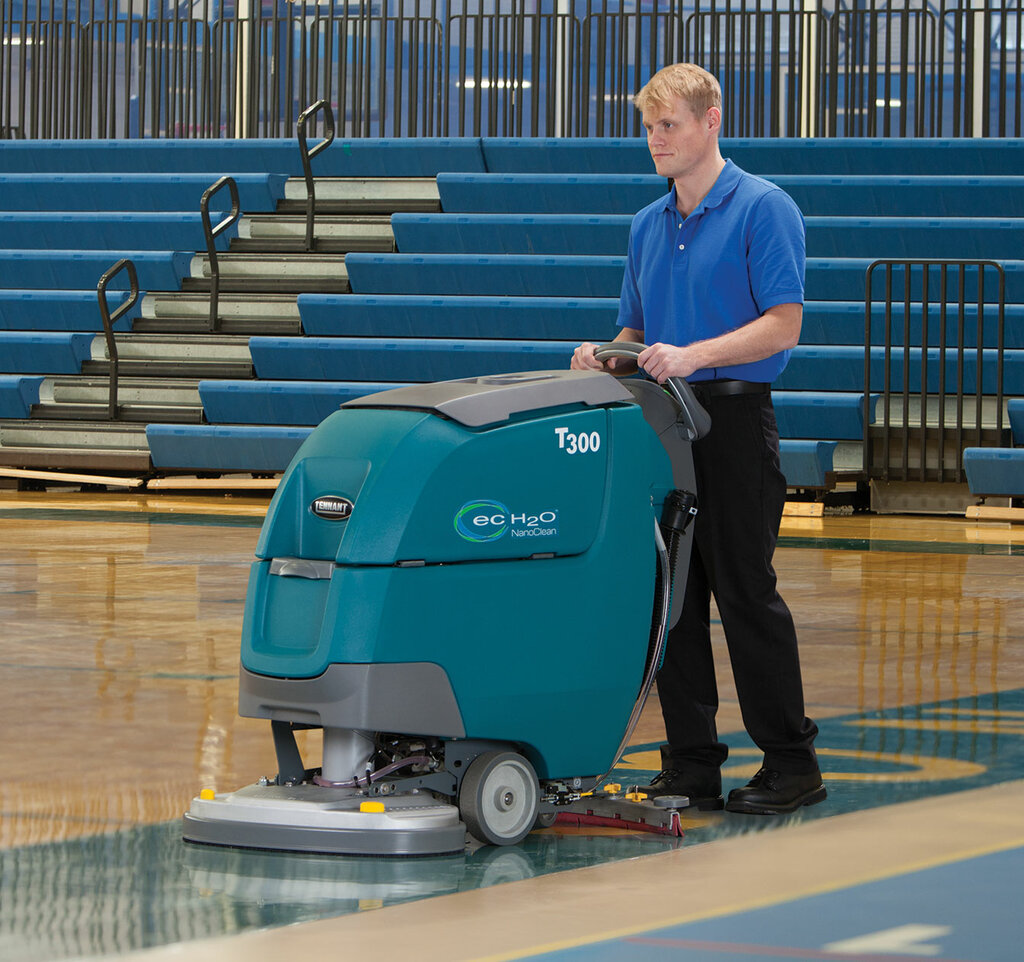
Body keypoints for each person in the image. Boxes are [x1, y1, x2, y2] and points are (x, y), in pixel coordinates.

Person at [571, 63, 825, 815]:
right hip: (663, 424)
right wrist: (604, 352)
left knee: (747, 595)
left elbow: (784, 323)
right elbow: (637, 330)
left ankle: (791, 761)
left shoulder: (762, 209)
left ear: (712, 123)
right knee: (671, 601)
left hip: (734, 421)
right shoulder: (648, 225)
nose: (656, 139)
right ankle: (692, 761)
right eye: (649, 126)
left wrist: (698, 353)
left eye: (669, 124)